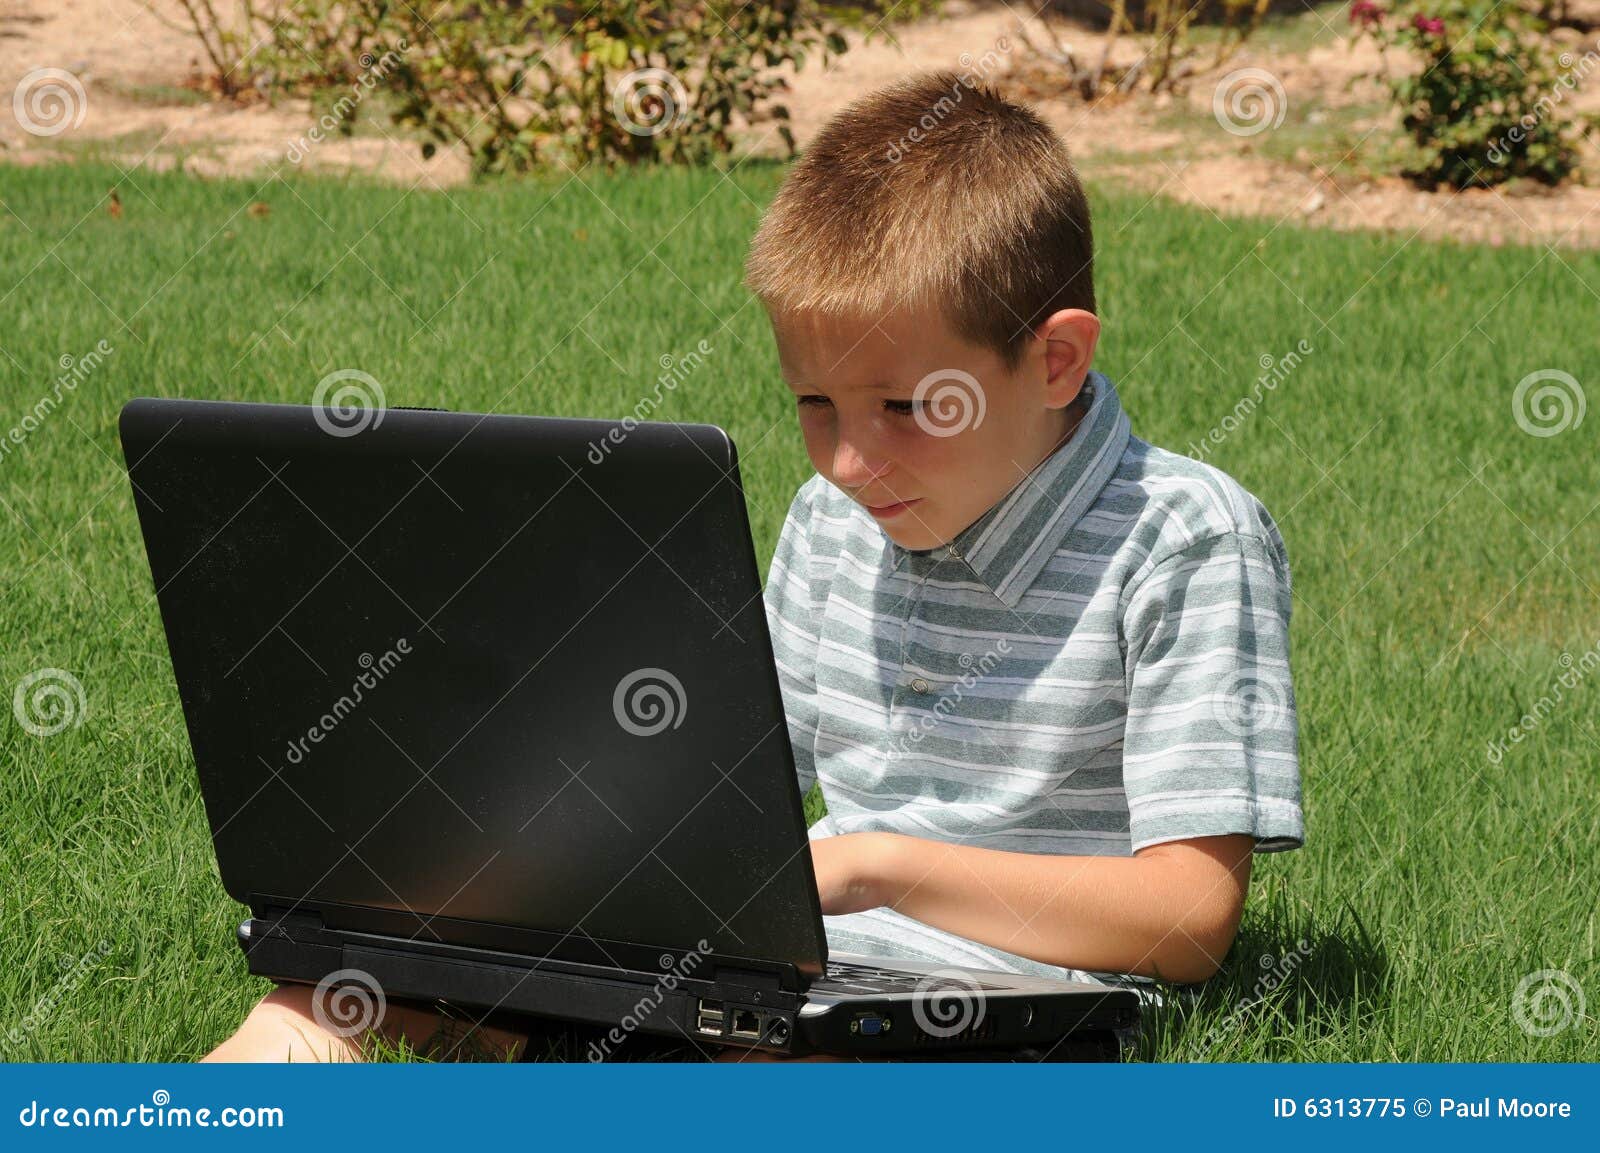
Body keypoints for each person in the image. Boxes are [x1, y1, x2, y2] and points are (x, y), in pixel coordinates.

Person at [205, 69, 1304, 1063]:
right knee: (327, 993)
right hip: (787, 965)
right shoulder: (837, 518)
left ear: (1054, 359)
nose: (848, 458)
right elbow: (732, 794)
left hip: (998, 999)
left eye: (911, 407)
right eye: (813, 404)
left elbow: (1187, 919)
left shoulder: (1184, 539)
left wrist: (877, 865)